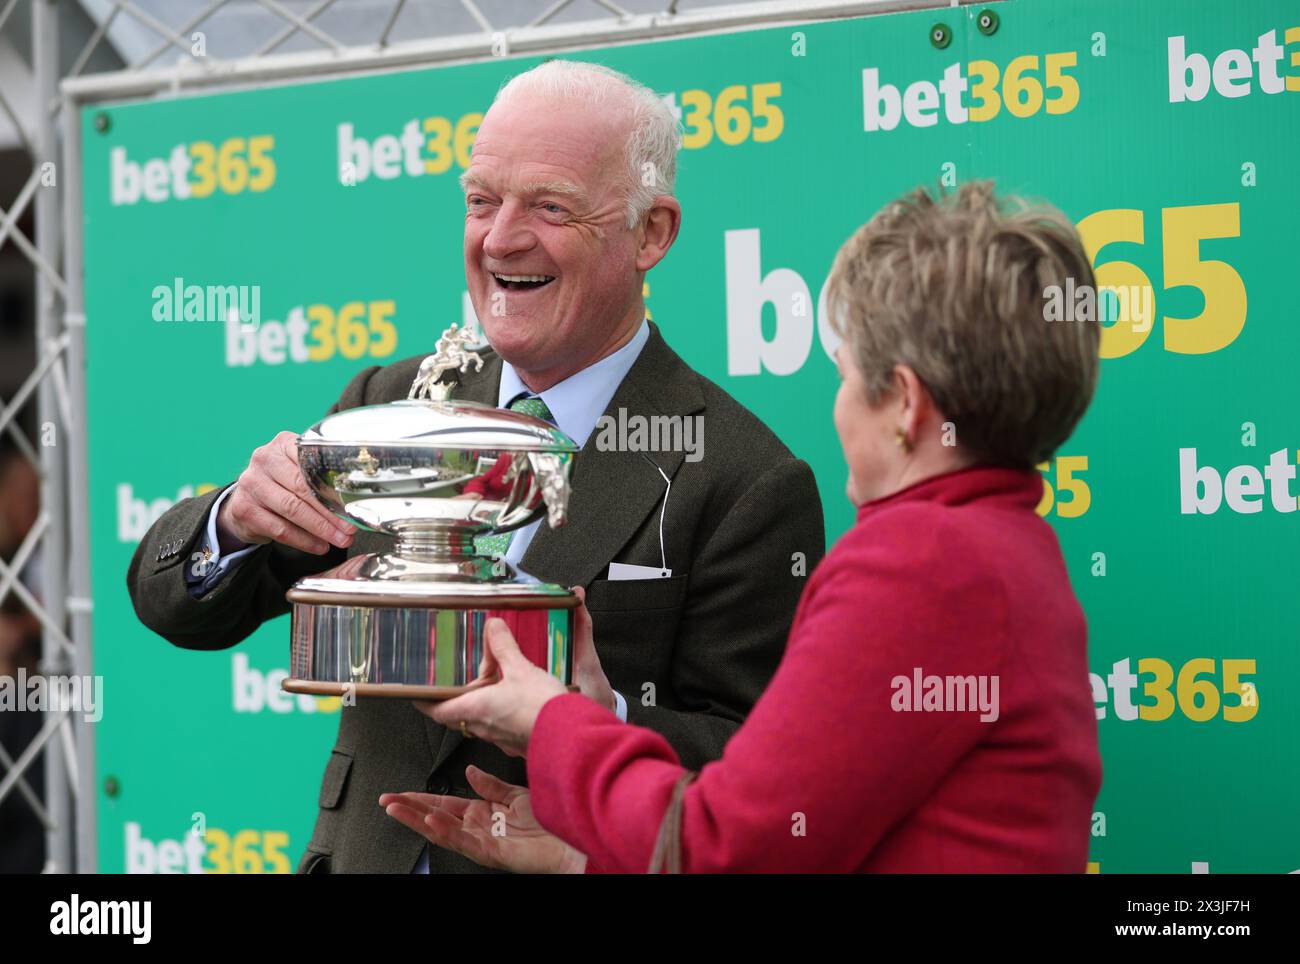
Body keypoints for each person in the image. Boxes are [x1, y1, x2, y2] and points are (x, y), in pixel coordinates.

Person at [125, 60, 825, 874]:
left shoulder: (742, 478)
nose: (501, 238)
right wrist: (235, 523)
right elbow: (172, 604)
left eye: (550, 206)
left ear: (652, 233)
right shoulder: (391, 403)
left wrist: (599, 720)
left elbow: (764, 776)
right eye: (481, 200)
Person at [382, 180, 1104, 873]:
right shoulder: (1005, 548)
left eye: (846, 375)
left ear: (907, 408)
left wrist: (552, 724)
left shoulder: (922, 562)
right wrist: (583, 852)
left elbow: (730, 849)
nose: (839, 406)